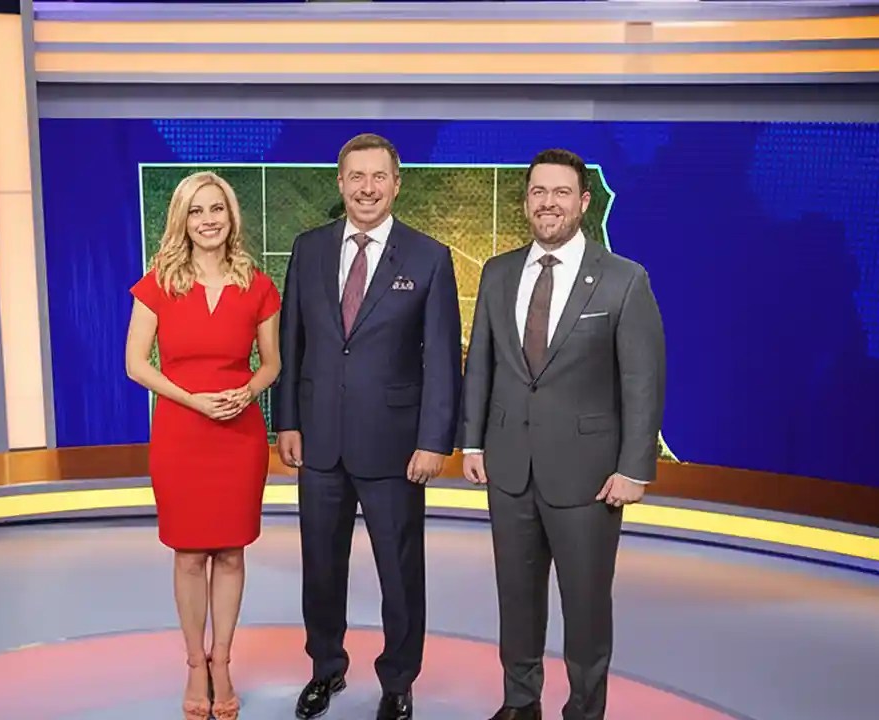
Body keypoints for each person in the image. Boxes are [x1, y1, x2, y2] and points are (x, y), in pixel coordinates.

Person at [459, 149, 665, 720]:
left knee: (586, 607)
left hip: (591, 476)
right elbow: (481, 364)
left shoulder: (624, 280)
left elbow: (642, 382)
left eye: (561, 193)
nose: (548, 203)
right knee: (517, 600)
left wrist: (634, 468)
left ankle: (583, 709)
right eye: (538, 193)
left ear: (583, 202)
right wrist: (472, 442)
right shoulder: (499, 273)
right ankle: (520, 703)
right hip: (509, 467)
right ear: (526, 201)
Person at [272, 133, 462, 720]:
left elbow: (442, 359)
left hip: (396, 448)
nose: (367, 188)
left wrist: (435, 441)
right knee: (320, 569)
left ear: (397, 183)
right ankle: (325, 669)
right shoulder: (307, 251)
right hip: (320, 444)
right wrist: (288, 422)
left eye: (379, 177)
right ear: (340, 182)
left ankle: (398, 681)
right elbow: (292, 343)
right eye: (356, 177)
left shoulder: (429, 257)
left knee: (400, 574)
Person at [125, 171, 281, 720]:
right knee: (190, 554)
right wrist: (193, 399)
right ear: (182, 220)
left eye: (217, 209)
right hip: (181, 433)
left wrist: (247, 391)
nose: (209, 219)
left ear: (231, 216)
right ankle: (195, 664)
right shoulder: (157, 283)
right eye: (197, 211)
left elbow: (273, 364)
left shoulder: (256, 284)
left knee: (232, 552)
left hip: (237, 437)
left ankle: (223, 662)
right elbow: (136, 364)